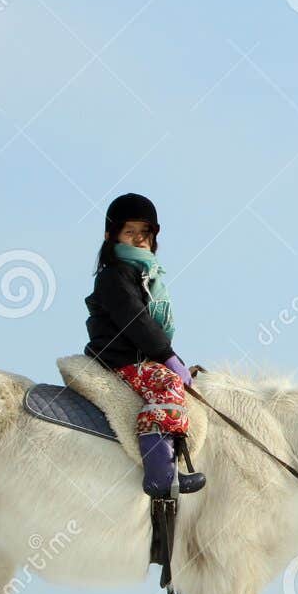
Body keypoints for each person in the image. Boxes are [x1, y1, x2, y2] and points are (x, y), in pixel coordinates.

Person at [83, 193, 204, 498]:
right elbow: (135, 320)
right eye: (130, 232)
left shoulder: (147, 276)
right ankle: (161, 475)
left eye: (145, 232)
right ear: (111, 236)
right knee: (167, 385)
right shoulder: (114, 276)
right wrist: (168, 357)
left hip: (142, 356)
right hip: (120, 358)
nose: (138, 239)